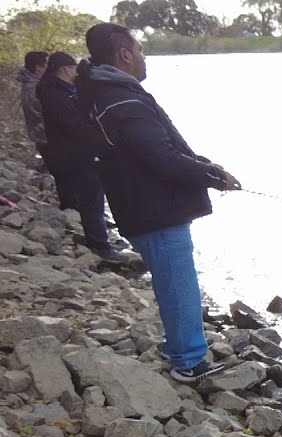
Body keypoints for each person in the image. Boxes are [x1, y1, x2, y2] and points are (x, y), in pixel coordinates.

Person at [76, 23, 240, 383]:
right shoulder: (121, 98)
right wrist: (213, 174)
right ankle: (188, 363)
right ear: (124, 54)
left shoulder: (103, 92)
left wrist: (208, 170)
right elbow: (161, 157)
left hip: (139, 205)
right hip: (154, 209)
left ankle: (179, 348)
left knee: (170, 282)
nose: (143, 57)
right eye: (140, 50)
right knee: (179, 285)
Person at [35, 52, 124, 264]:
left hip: (69, 153)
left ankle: (96, 239)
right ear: (65, 69)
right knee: (92, 196)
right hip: (73, 155)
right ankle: (101, 246)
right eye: (74, 68)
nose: (76, 71)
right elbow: (72, 124)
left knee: (88, 198)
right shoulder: (54, 92)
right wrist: (100, 135)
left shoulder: (56, 89)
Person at [15, 51, 74, 209]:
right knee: (64, 174)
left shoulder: (33, 84)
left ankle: (70, 207)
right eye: (47, 64)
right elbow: (48, 113)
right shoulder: (35, 88)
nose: (51, 68)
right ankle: (70, 209)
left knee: (62, 175)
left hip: (43, 137)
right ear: (38, 68)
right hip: (46, 137)